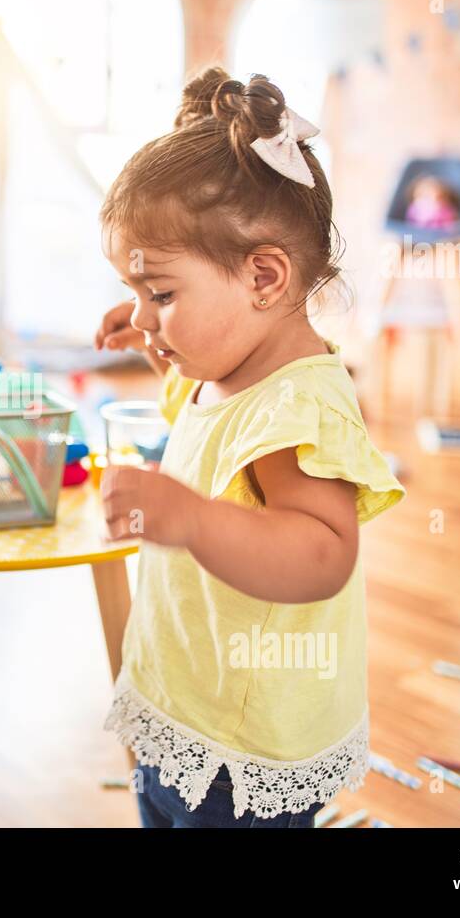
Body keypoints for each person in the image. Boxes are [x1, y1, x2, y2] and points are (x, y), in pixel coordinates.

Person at [93, 67, 405, 828]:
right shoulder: (224, 371)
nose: (145, 313)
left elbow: (322, 552)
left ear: (264, 275)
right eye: (139, 293)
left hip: (244, 751)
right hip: (186, 709)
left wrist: (192, 519)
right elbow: (204, 425)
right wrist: (154, 338)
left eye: (160, 294)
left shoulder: (300, 405)